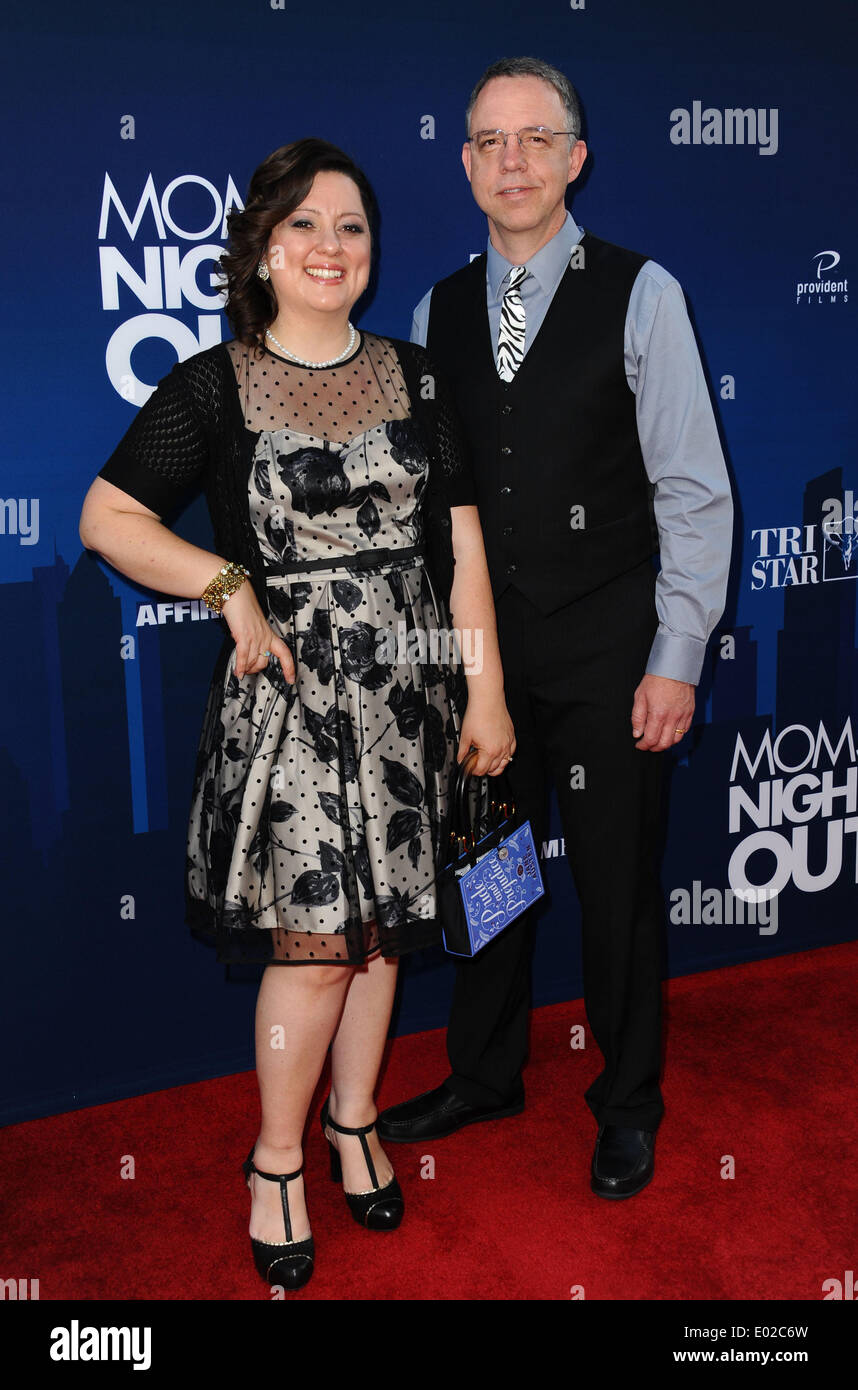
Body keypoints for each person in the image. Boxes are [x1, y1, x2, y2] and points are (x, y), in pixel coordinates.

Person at [79, 137, 514, 1289]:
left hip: (411, 693)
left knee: (381, 942)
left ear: (372, 254)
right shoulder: (212, 384)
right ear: (265, 250)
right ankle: (277, 1158)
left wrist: (486, 686)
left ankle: (354, 1117)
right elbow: (108, 517)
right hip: (290, 705)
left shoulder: (419, 377)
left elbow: (460, 546)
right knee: (316, 948)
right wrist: (227, 586)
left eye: (353, 226)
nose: (332, 246)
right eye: (307, 226)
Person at [377, 58, 734, 1199]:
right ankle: (484, 1072)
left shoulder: (644, 292)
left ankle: (626, 1098)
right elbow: (431, 508)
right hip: (484, 655)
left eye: (536, 139)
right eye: (489, 141)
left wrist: (676, 654)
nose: (512, 161)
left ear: (576, 158)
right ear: (466, 161)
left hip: (613, 641)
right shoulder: (432, 310)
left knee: (619, 890)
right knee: (489, 871)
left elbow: (692, 489)